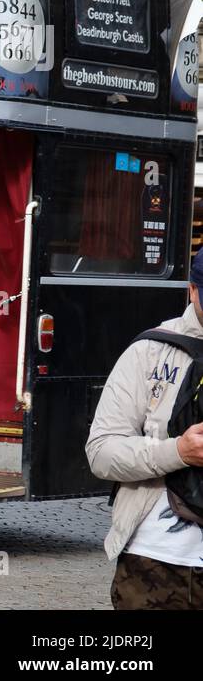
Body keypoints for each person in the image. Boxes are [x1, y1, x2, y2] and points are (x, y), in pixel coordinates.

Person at [87, 246, 203, 609]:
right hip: (156, 565)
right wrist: (178, 452)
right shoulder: (151, 351)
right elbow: (102, 451)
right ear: (193, 290)